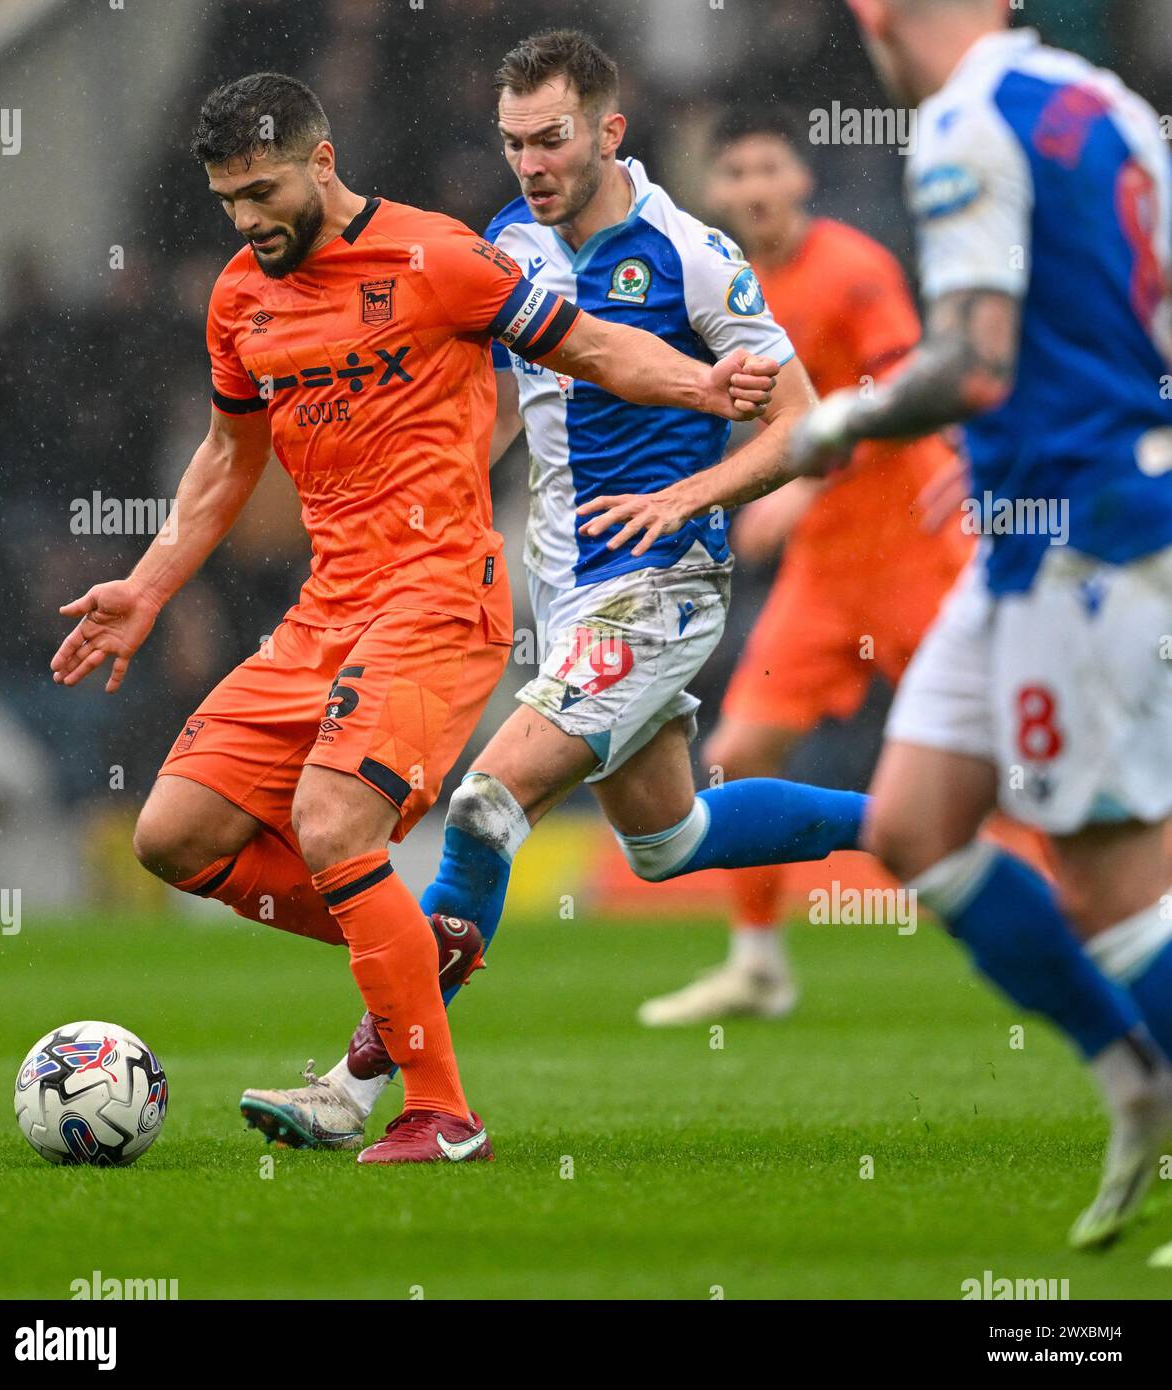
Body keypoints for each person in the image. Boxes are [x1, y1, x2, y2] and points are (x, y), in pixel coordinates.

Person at [50, 69, 780, 1167]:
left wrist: (699, 385)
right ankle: (423, 943)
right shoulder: (239, 297)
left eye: (261, 191)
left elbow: (586, 345)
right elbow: (224, 458)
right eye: (226, 202)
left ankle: (442, 1114)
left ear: (322, 161)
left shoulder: (437, 256)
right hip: (321, 614)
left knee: (337, 826)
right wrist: (147, 586)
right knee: (173, 837)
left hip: (438, 597)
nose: (247, 221)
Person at [579, 0, 1172, 1249]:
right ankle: (1134, 1081)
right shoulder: (1106, 108)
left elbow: (971, 361)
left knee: (1108, 881)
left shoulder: (958, 126)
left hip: (1064, 532)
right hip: (1017, 535)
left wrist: (831, 429)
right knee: (909, 824)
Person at [238, 31, 872, 1146]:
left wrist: (692, 496)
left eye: (551, 138)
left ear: (608, 131)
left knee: (485, 805)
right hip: (564, 592)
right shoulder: (507, 243)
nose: (529, 162)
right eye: (512, 142)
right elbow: (480, 401)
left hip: (662, 583)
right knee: (668, 840)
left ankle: (365, 1090)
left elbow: (808, 425)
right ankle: (922, 818)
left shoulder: (691, 254)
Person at [638, 106, 971, 1026]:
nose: (751, 188)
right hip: (827, 574)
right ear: (712, 190)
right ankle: (756, 965)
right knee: (741, 751)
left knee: (1002, 756)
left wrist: (796, 489)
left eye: (767, 168)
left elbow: (901, 397)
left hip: (916, 548)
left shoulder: (853, 271)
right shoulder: (716, 284)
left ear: (801, 180)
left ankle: (1123, 911)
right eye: (734, 172)